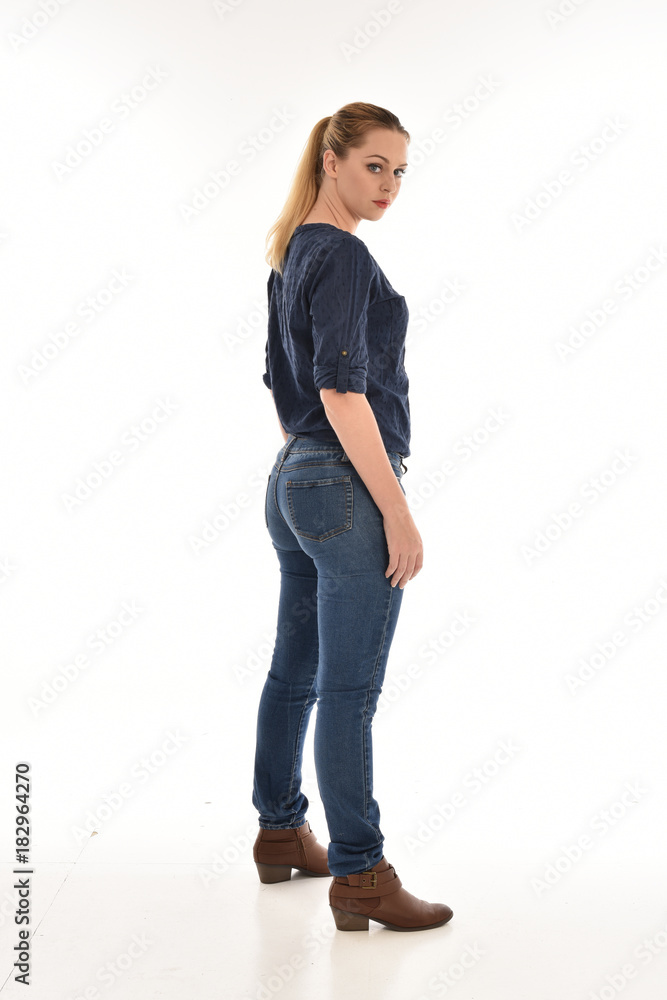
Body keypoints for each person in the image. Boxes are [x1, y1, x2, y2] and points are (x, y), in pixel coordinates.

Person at [252, 102, 453, 932]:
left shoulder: (290, 252)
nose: (389, 185)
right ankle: (361, 873)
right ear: (330, 161)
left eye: (399, 171)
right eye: (375, 165)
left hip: (294, 477)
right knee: (347, 689)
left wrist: (309, 473)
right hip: (340, 483)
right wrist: (395, 511)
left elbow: (282, 386)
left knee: (294, 672)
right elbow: (339, 389)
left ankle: (280, 831)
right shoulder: (339, 253)